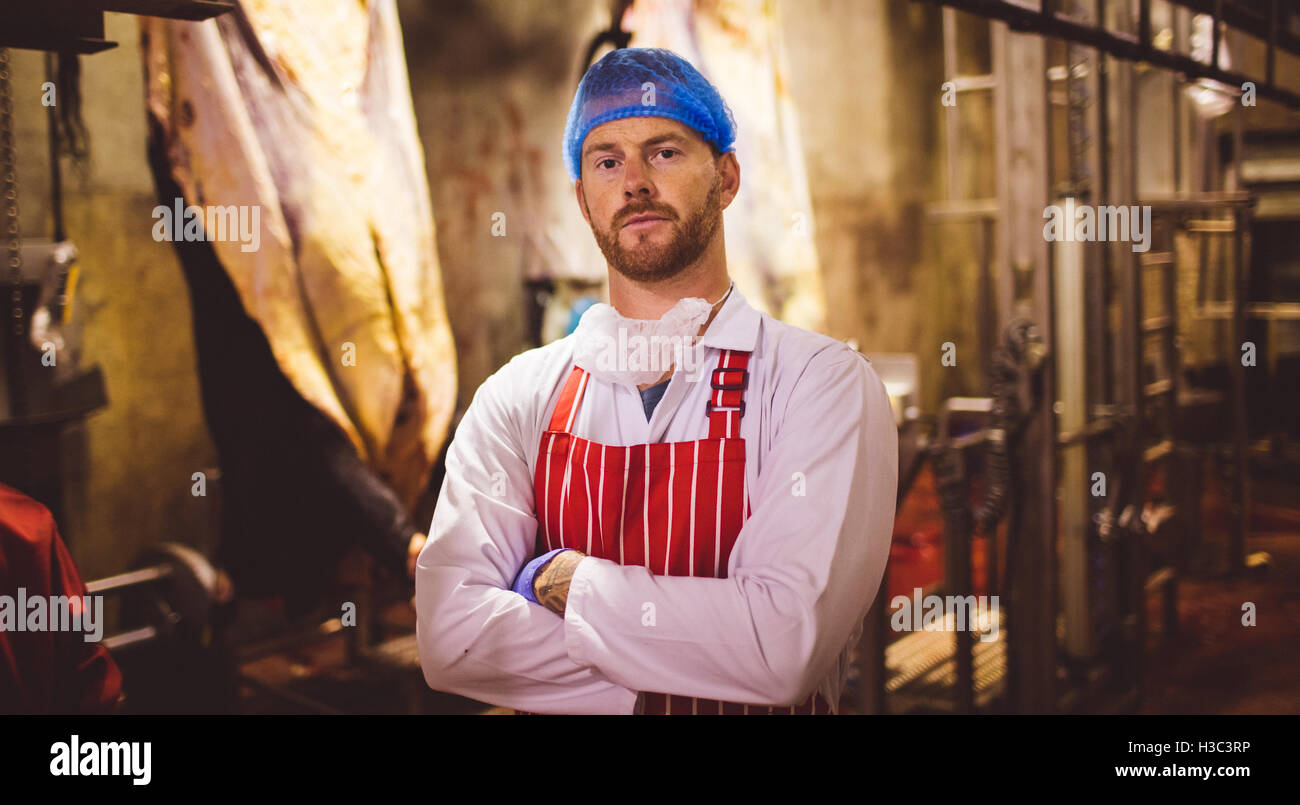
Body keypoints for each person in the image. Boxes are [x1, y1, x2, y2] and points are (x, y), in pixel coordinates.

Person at [415, 47, 896, 714]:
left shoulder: (821, 382)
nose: (634, 181)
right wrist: (699, 657)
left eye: (664, 151)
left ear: (726, 177)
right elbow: (451, 639)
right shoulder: (516, 396)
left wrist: (565, 579)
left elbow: (783, 648)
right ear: (584, 200)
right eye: (607, 160)